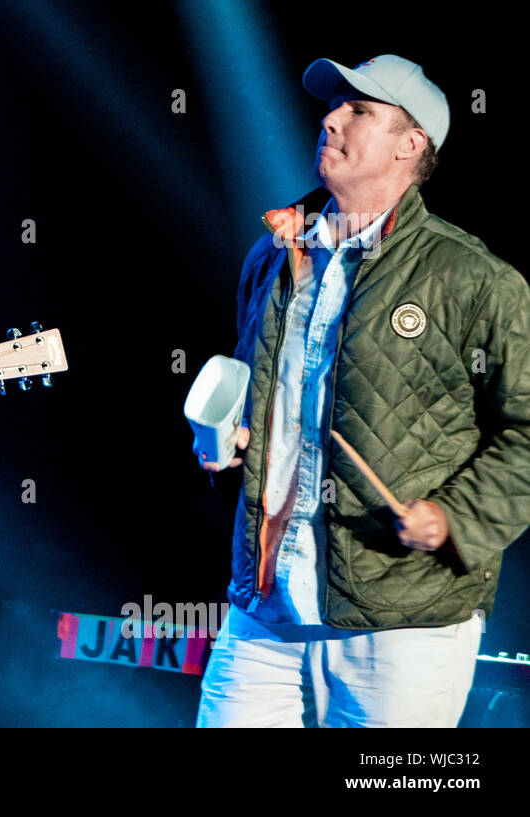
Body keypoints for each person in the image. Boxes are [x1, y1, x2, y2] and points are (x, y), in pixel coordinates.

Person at [194, 55, 530, 727]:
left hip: (401, 616)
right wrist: (233, 439)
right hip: (266, 600)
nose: (330, 119)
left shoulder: (474, 280)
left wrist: (454, 517)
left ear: (412, 145)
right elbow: (262, 391)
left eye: (359, 111)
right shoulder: (273, 253)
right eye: (334, 106)